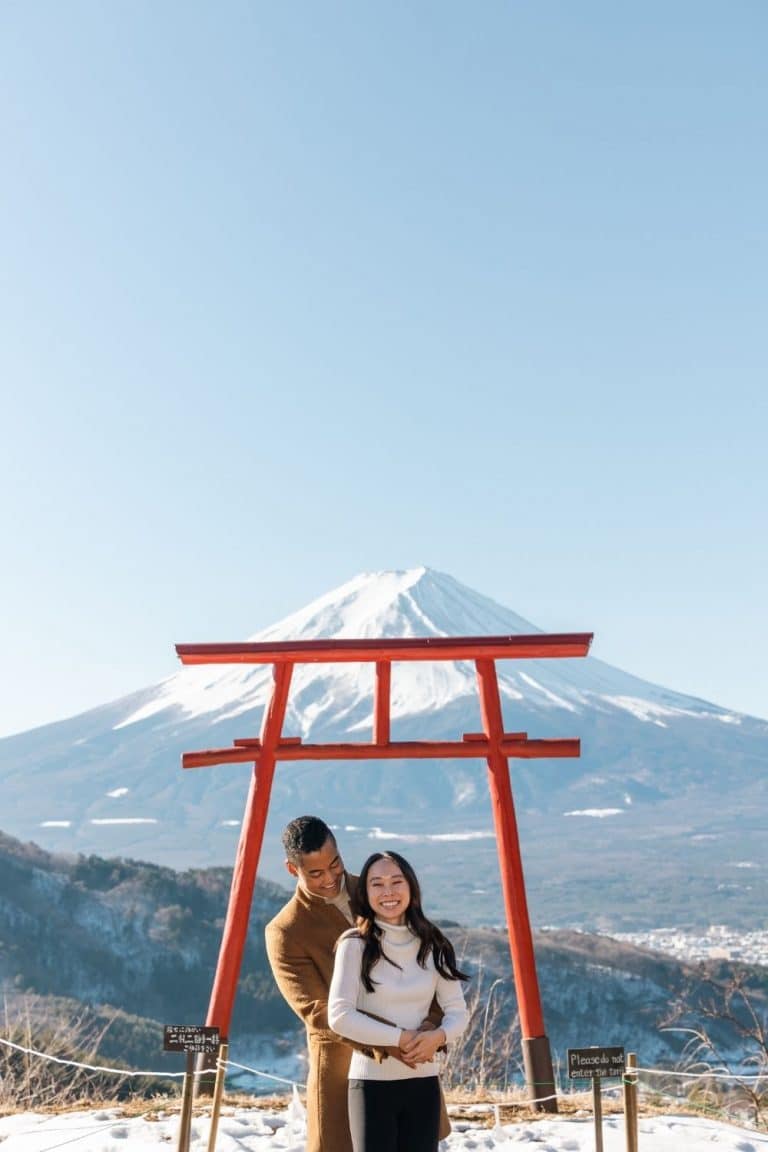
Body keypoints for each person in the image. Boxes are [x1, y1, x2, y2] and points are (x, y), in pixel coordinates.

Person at [265, 817, 447, 1152]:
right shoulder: (286, 930)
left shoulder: (377, 889)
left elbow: (426, 959)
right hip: (343, 1066)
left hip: (411, 1057)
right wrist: (391, 1041)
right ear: (292, 870)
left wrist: (431, 1025)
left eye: (335, 864)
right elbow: (316, 1011)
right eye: (315, 873)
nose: (330, 878)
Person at [328, 850, 470, 1152]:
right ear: (365, 893)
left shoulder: (435, 944)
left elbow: (458, 1012)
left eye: (396, 881)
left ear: (411, 887)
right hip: (370, 1084)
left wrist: (438, 1037)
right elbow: (339, 1016)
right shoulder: (354, 945)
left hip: (424, 1083)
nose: (388, 892)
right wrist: (401, 1038)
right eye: (377, 884)